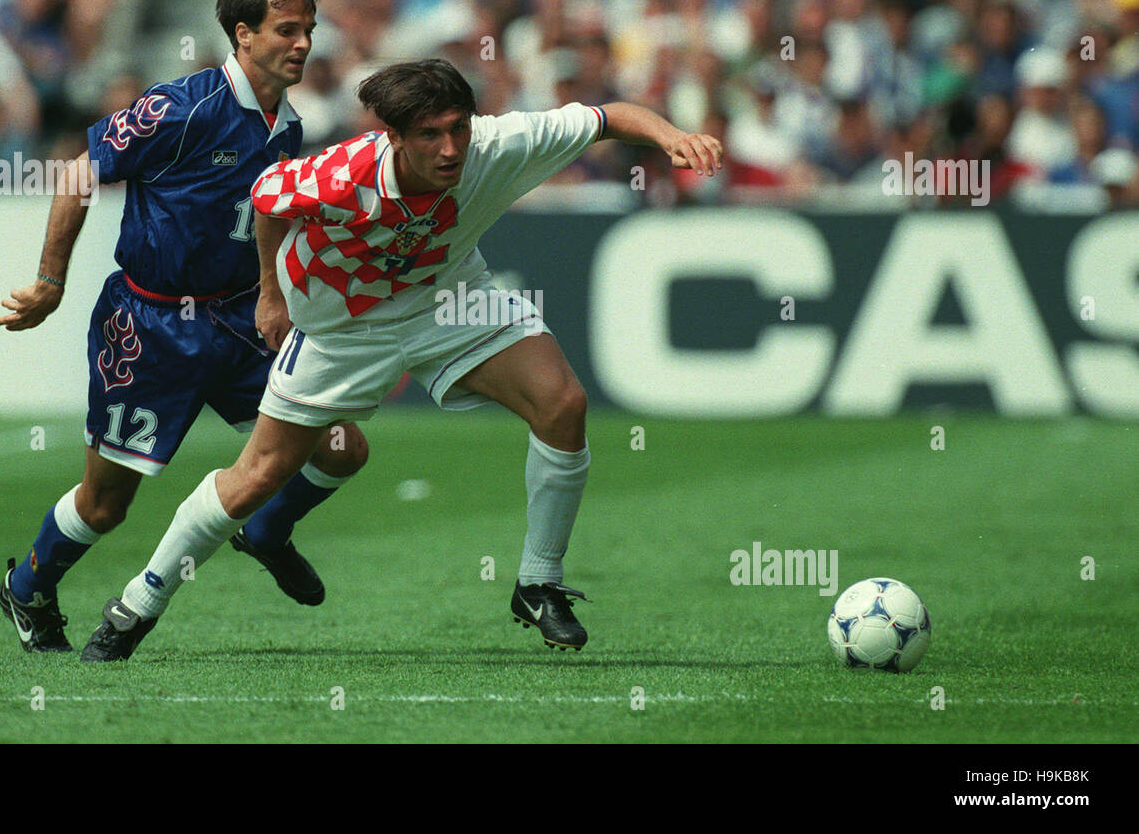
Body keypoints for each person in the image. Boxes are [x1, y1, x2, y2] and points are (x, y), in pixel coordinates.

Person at [81, 58, 722, 661]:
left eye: (457, 130)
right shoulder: (342, 174)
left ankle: (538, 583)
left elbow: (606, 117)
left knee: (563, 404)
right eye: (429, 136)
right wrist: (272, 295)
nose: (449, 149)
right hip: (340, 329)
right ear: (392, 137)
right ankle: (137, 605)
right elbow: (268, 196)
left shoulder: (499, 145)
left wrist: (670, 136)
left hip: (448, 300)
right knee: (255, 476)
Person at [0, 0, 369, 653]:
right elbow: (80, 171)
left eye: (309, 30)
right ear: (243, 33)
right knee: (106, 505)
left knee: (343, 446)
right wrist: (50, 281)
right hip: (149, 325)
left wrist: (275, 292)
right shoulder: (183, 107)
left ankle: (266, 529)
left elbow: (271, 218)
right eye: (287, 30)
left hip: (237, 319)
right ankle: (28, 589)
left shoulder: (288, 124)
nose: (304, 44)